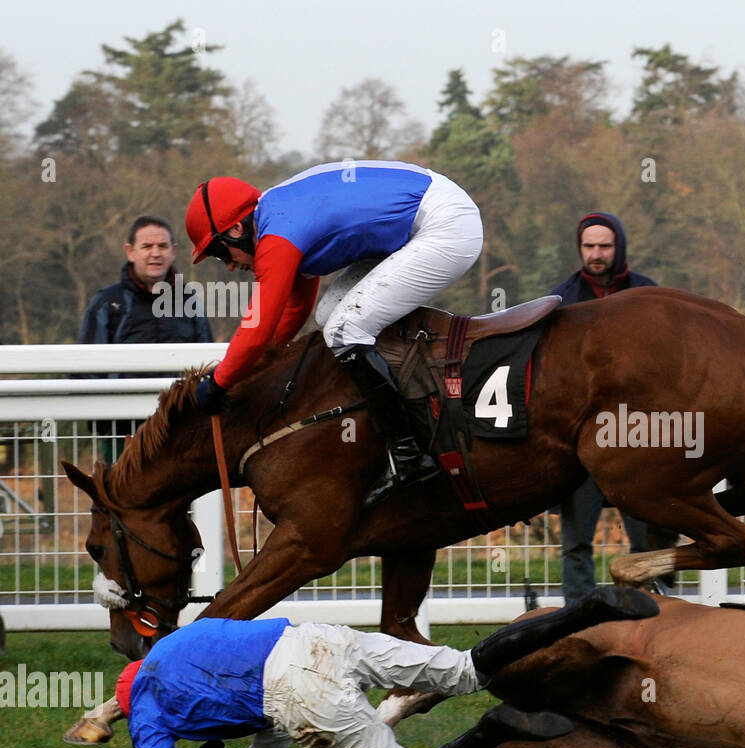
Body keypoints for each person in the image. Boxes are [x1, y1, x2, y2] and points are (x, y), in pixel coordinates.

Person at [115, 587, 658, 748]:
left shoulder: (144, 705)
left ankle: (493, 730)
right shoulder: (182, 640)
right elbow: (268, 739)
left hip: (293, 690)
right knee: (467, 669)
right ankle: (582, 611)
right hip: (317, 639)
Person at [183, 161, 483, 506]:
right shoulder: (277, 216)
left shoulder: (277, 236)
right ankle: (399, 414)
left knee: (346, 328)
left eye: (220, 253)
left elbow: (257, 325)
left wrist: (220, 382)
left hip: (445, 226)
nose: (231, 265)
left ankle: (409, 452)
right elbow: (297, 308)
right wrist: (263, 366)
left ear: (237, 229)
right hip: (426, 213)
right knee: (331, 318)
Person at [550, 212, 676, 604]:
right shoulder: (561, 300)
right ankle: (580, 622)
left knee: (646, 542)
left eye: (604, 246)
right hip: (580, 442)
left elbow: (668, 364)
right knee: (575, 544)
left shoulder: (647, 295)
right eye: (589, 246)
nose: (596, 254)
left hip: (636, 442)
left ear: (618, 247)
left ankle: (656, 616)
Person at [77, 216, 213, 461]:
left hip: (180, 427)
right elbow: (85, 368)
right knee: (123, 498)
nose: (155, 253)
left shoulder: (189, 301)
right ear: (130, 252)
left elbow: (207, 361)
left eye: (162, 246)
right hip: (123, 431)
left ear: (173, 252)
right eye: (147, 247)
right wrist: (103, 422)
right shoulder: (107, 303)